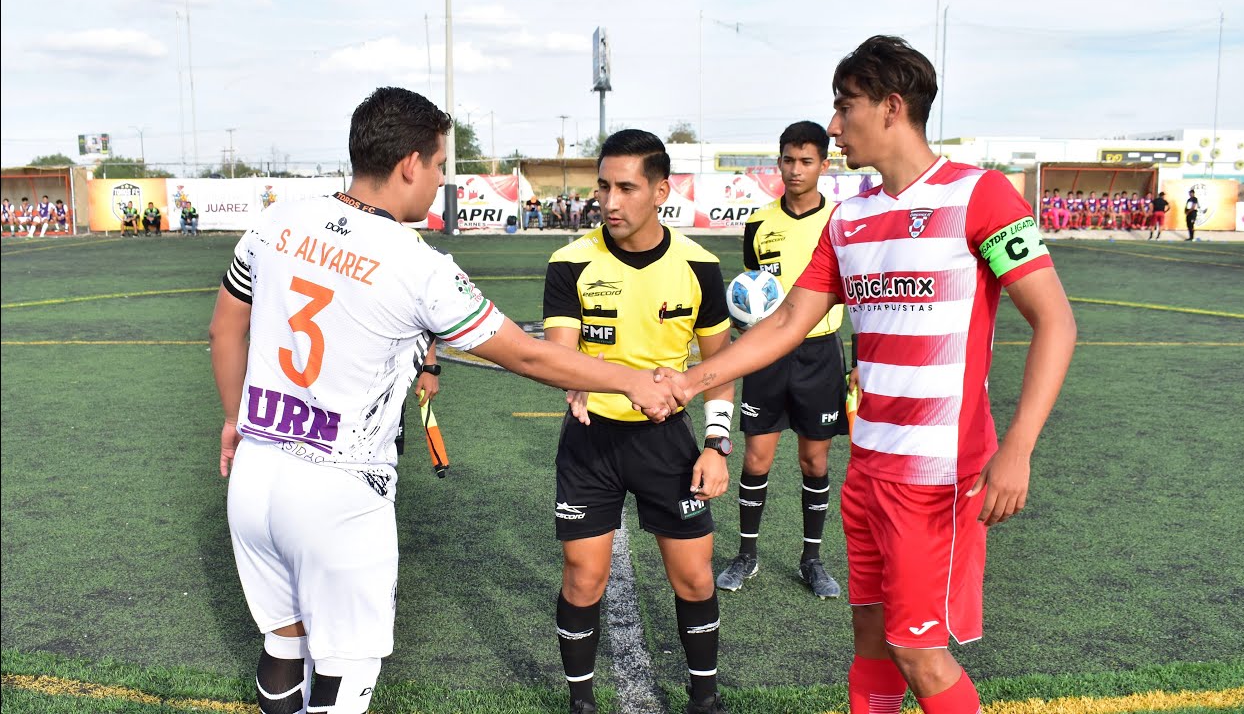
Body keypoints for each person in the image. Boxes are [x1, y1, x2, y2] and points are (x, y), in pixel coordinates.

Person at [208, 88, 683, 714]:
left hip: (257, 473)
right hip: (338, 489)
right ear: (410, 163)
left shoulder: (277, 221)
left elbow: (224, 327)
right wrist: (629, 380)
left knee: (283, 640)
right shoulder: (417, 264)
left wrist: (233, 419)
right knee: (343, 680)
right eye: (438, 166)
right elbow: (528, 353)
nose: (438, 182)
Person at [658, 36, 1076, 714]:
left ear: (890, 108)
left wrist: (1018, 449)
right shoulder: (848, 219)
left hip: (938, 477)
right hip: (870, 469)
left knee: (919, 651)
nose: (832, 125)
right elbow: (791, 318)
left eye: (843, 107)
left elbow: (1056, 322)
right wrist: (690, 381)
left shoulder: (981, 194)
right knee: (870, 638)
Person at [542, 129, 733, 714]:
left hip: (666, 443)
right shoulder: (570, 260)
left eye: (626, 187)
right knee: (583, 577)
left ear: (660, 190)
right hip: (591, 441)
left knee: (695, 579)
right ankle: (582, 705)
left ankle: (704, 700)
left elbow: (719, 366)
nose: (610, 200)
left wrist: (716, 443)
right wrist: (576, 381)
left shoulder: (699, 266)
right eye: (603, 186)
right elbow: (560, 352)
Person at [716, 120, 850, 600]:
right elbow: (755, 286)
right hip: (769, 352)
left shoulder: (841, 220)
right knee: (756, 457)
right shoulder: (759, 222)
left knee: (815, 460)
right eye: (789, 161)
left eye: (806, 161)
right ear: (779, 163)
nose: (796, 170)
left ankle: (812, 560)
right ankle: (746, 555)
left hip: (819, 353)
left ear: (823, 165)